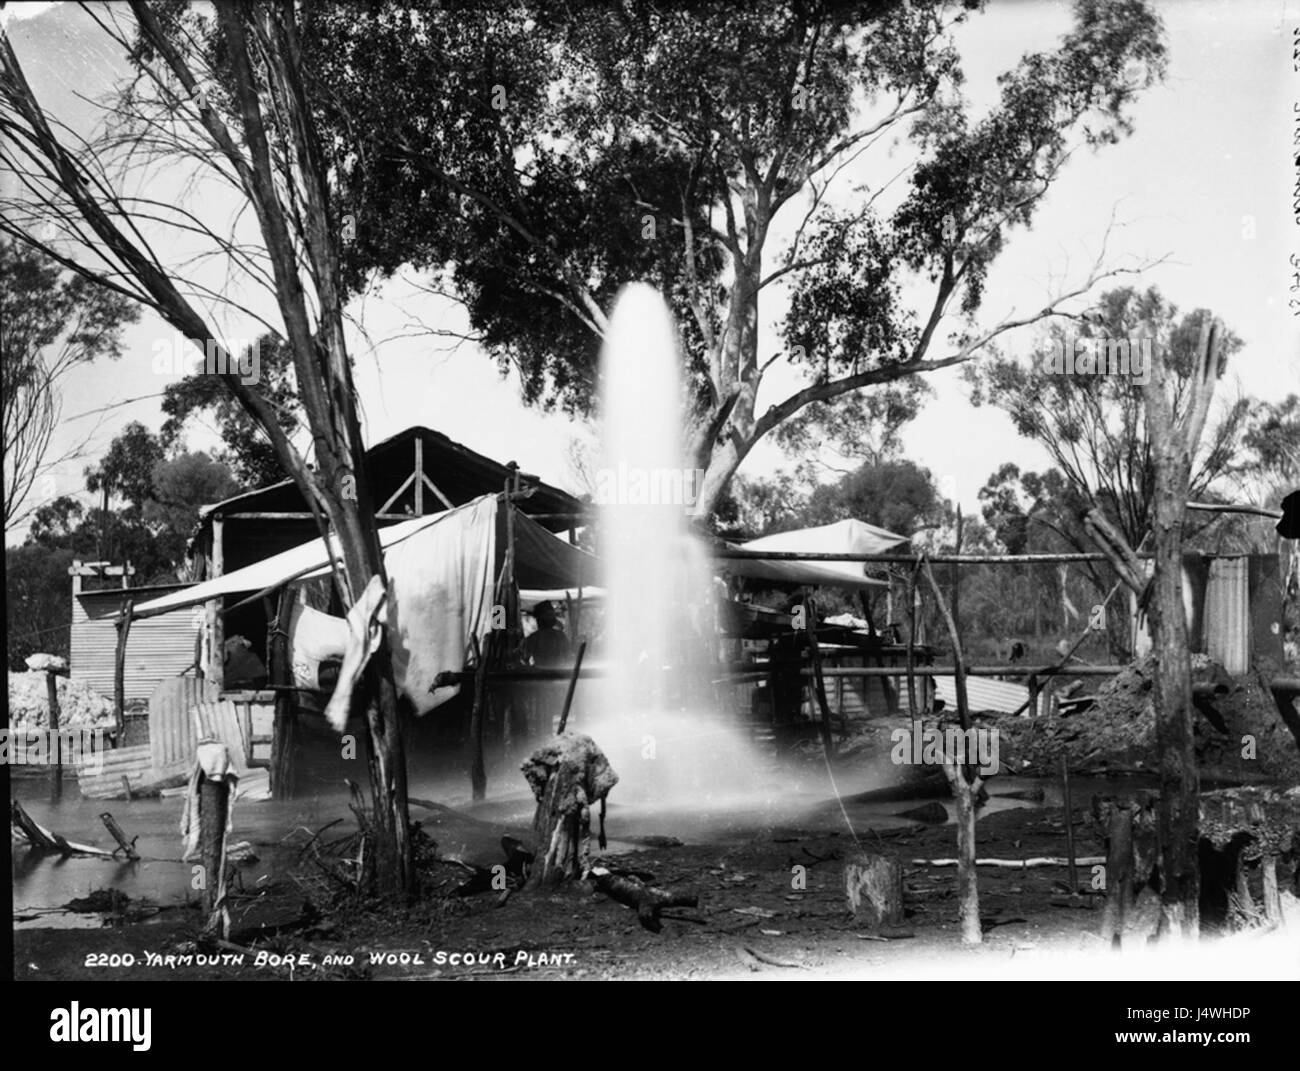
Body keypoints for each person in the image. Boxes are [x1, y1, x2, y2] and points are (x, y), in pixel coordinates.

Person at [521, 601, 571, 667]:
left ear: (539, 619)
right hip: (559, 674)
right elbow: (568, 657)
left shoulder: (534, 638)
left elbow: (523, 658)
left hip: (542, 675)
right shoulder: (561, 636)